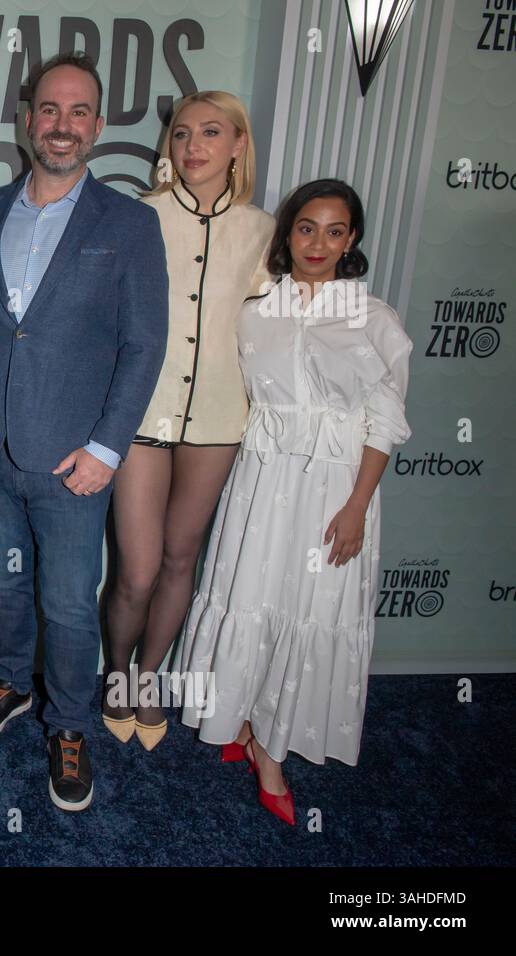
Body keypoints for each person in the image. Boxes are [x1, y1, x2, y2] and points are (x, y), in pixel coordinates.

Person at [0, 53, 168, 812]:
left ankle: (68, 722)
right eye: (49, 109)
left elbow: (144, 346)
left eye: (78, 112)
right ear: (28, 118)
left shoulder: (129, 224)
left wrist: (107, 449)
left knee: (68, 604)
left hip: (74, 463)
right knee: (2, 582)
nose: (61, 125)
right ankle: (9, 679)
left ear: (96, 126)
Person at [175, 179, 412, 824]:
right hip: (262, 483)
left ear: (352, 240)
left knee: (309, 607)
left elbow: (385, 423)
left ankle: (272, 752)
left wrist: (358, 505)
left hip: (334, 491)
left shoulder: (375, 321)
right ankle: (245, 722)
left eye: (335, 231)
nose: (318, 243)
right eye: (307, 227)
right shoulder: (256, 312)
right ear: (288, 233)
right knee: (253, 599)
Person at [102, 91, 275, 751]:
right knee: (138, 570)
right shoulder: (136, 217)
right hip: (142, 415)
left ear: (237, 145)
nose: (193, 146)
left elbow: (273, 332)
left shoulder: (263, 231)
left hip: (220, 419)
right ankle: (116, 673)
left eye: (211, 133)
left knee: (181, 560)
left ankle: (150, 678)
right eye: (182, 133)